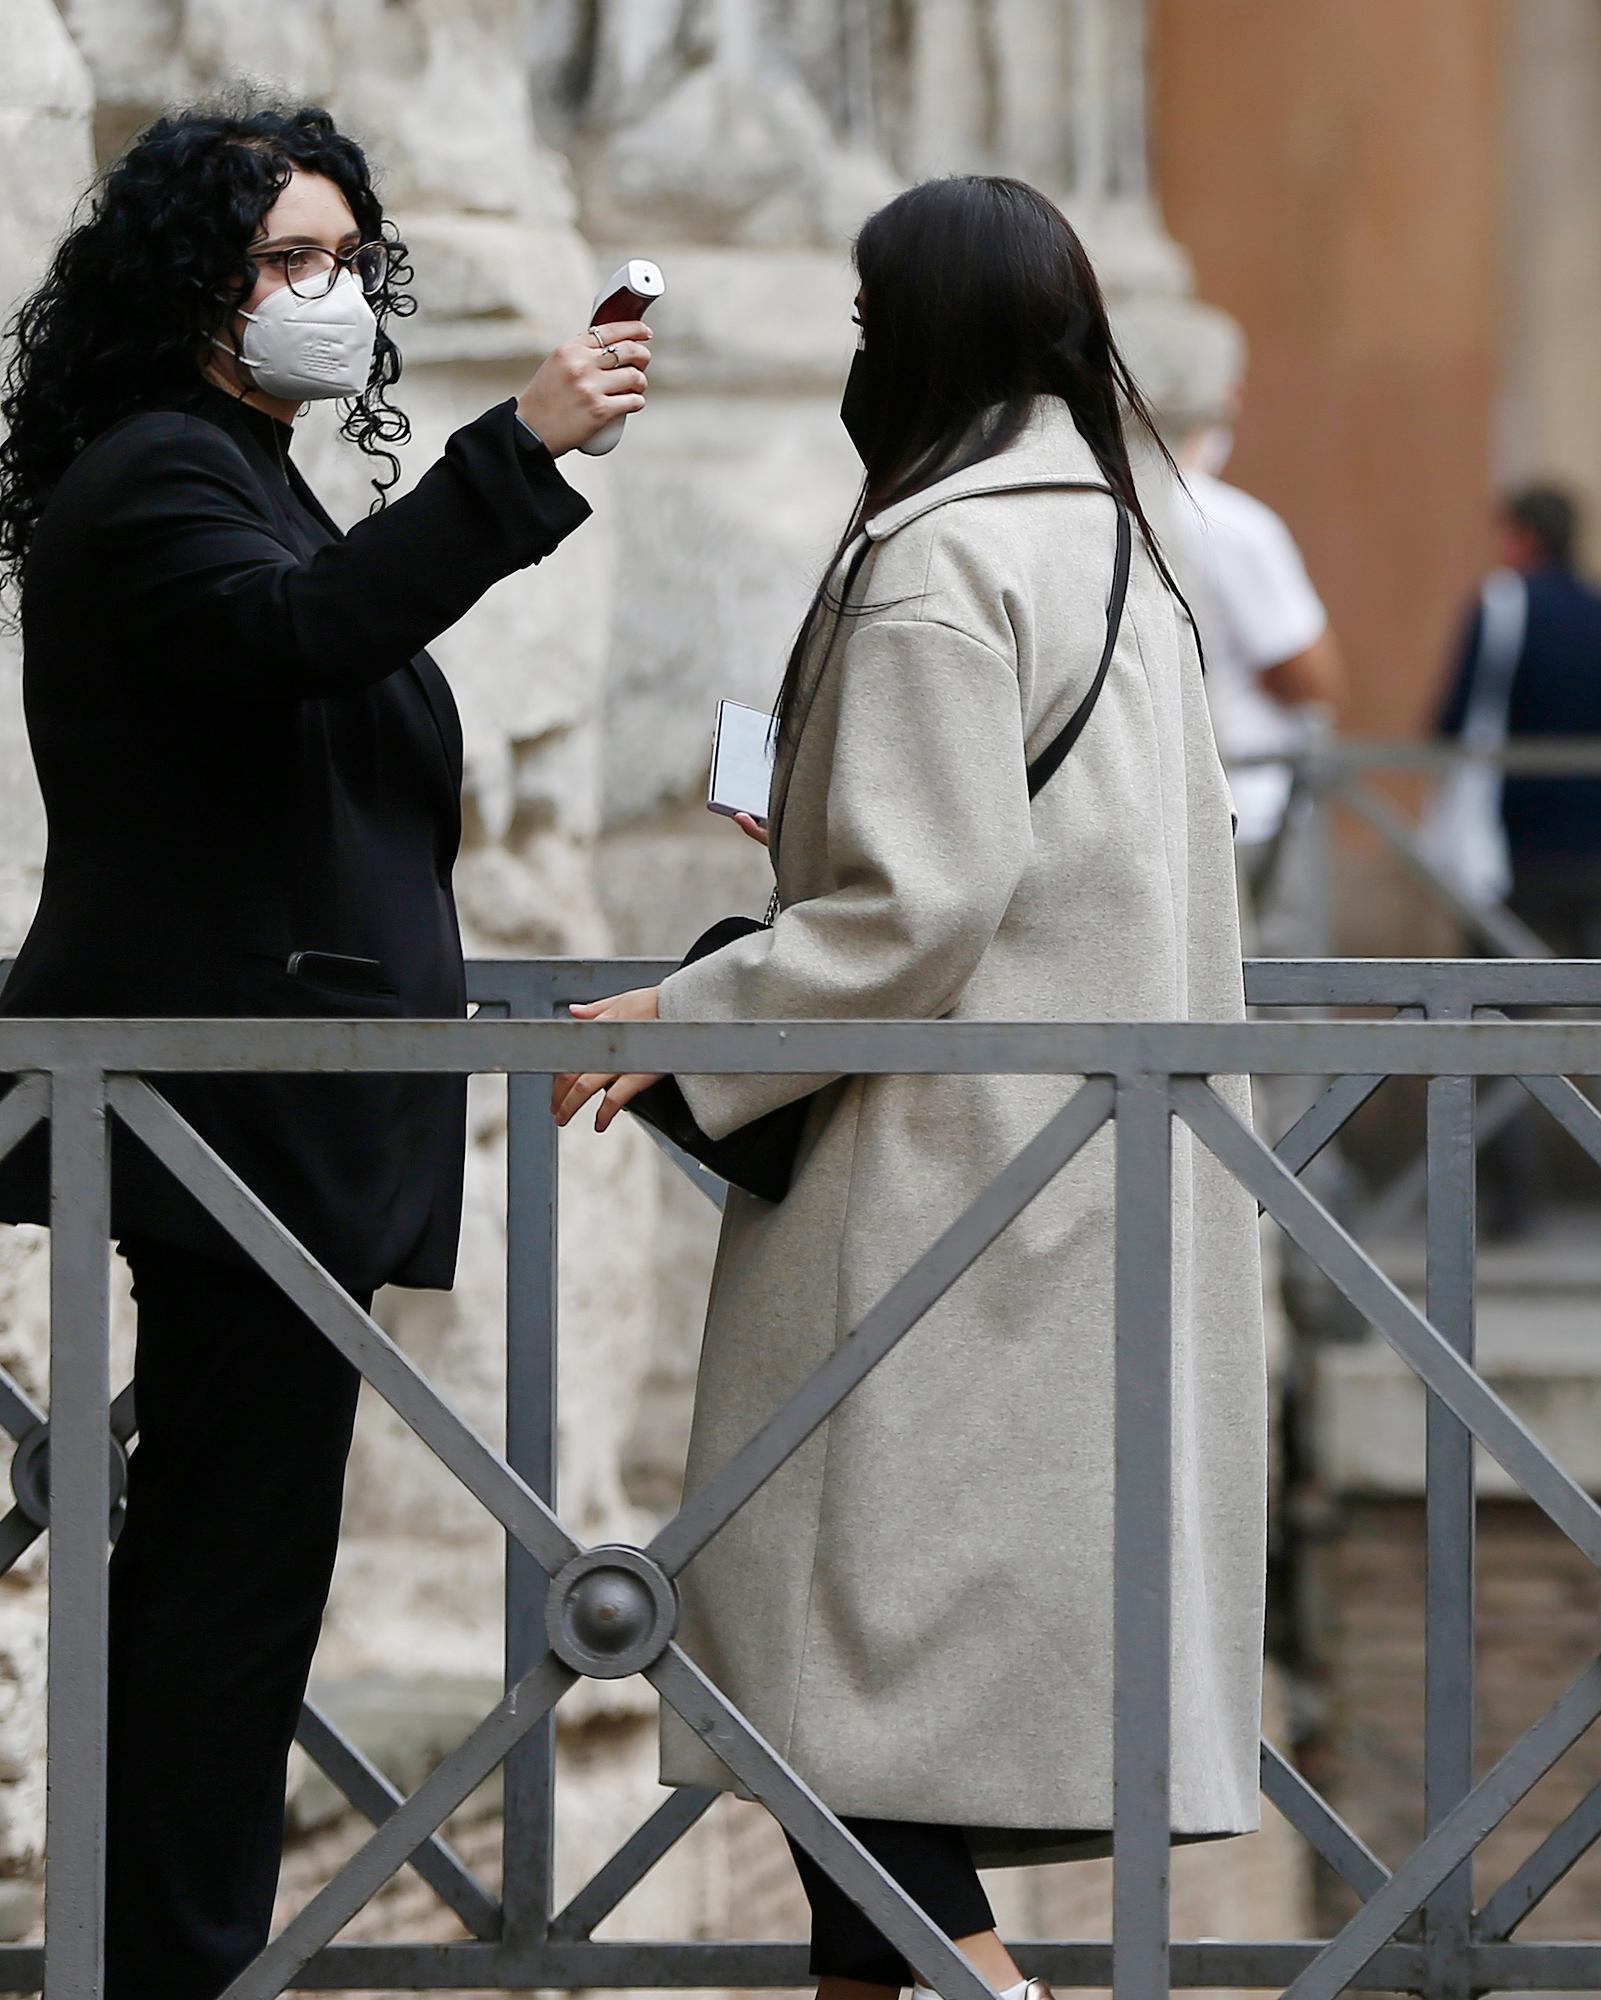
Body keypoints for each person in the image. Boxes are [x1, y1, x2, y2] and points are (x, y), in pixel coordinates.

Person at [550, 175, 1266, 2000]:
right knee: (855, 1664)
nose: (855, 353)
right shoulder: (1117, 536)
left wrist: (687, 1018)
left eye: (872, 322)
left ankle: (986, 1988)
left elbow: (913, 907)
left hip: (942, 1189)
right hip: (1077, 1172)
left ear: (931, 332)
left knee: (802, 1652)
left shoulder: (942, 554)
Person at [0, 101, 638, 1995]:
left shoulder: (243, 467)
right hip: (228, 1120)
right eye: (281, 263)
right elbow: (309, 640)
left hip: (278, 1117)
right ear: (187, 281)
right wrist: (522, 450)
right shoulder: (162, 475)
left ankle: (161, 1954)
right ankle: (167, 1964)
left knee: (227, 1587)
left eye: (341, 261)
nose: (321, 293)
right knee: (219, 1598)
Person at [1431, 485, 1601, 958]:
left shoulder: (1500, 608)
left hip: (1518, 838)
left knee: (1502, 998)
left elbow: (1452, 721)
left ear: (1523, 538)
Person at [1164, 379, 1344, 949]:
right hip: (1256, 796)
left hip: (1168, 801)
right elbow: (1309, 674)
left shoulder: (1111, 504)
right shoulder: (1231, 521)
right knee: (1278, 991)